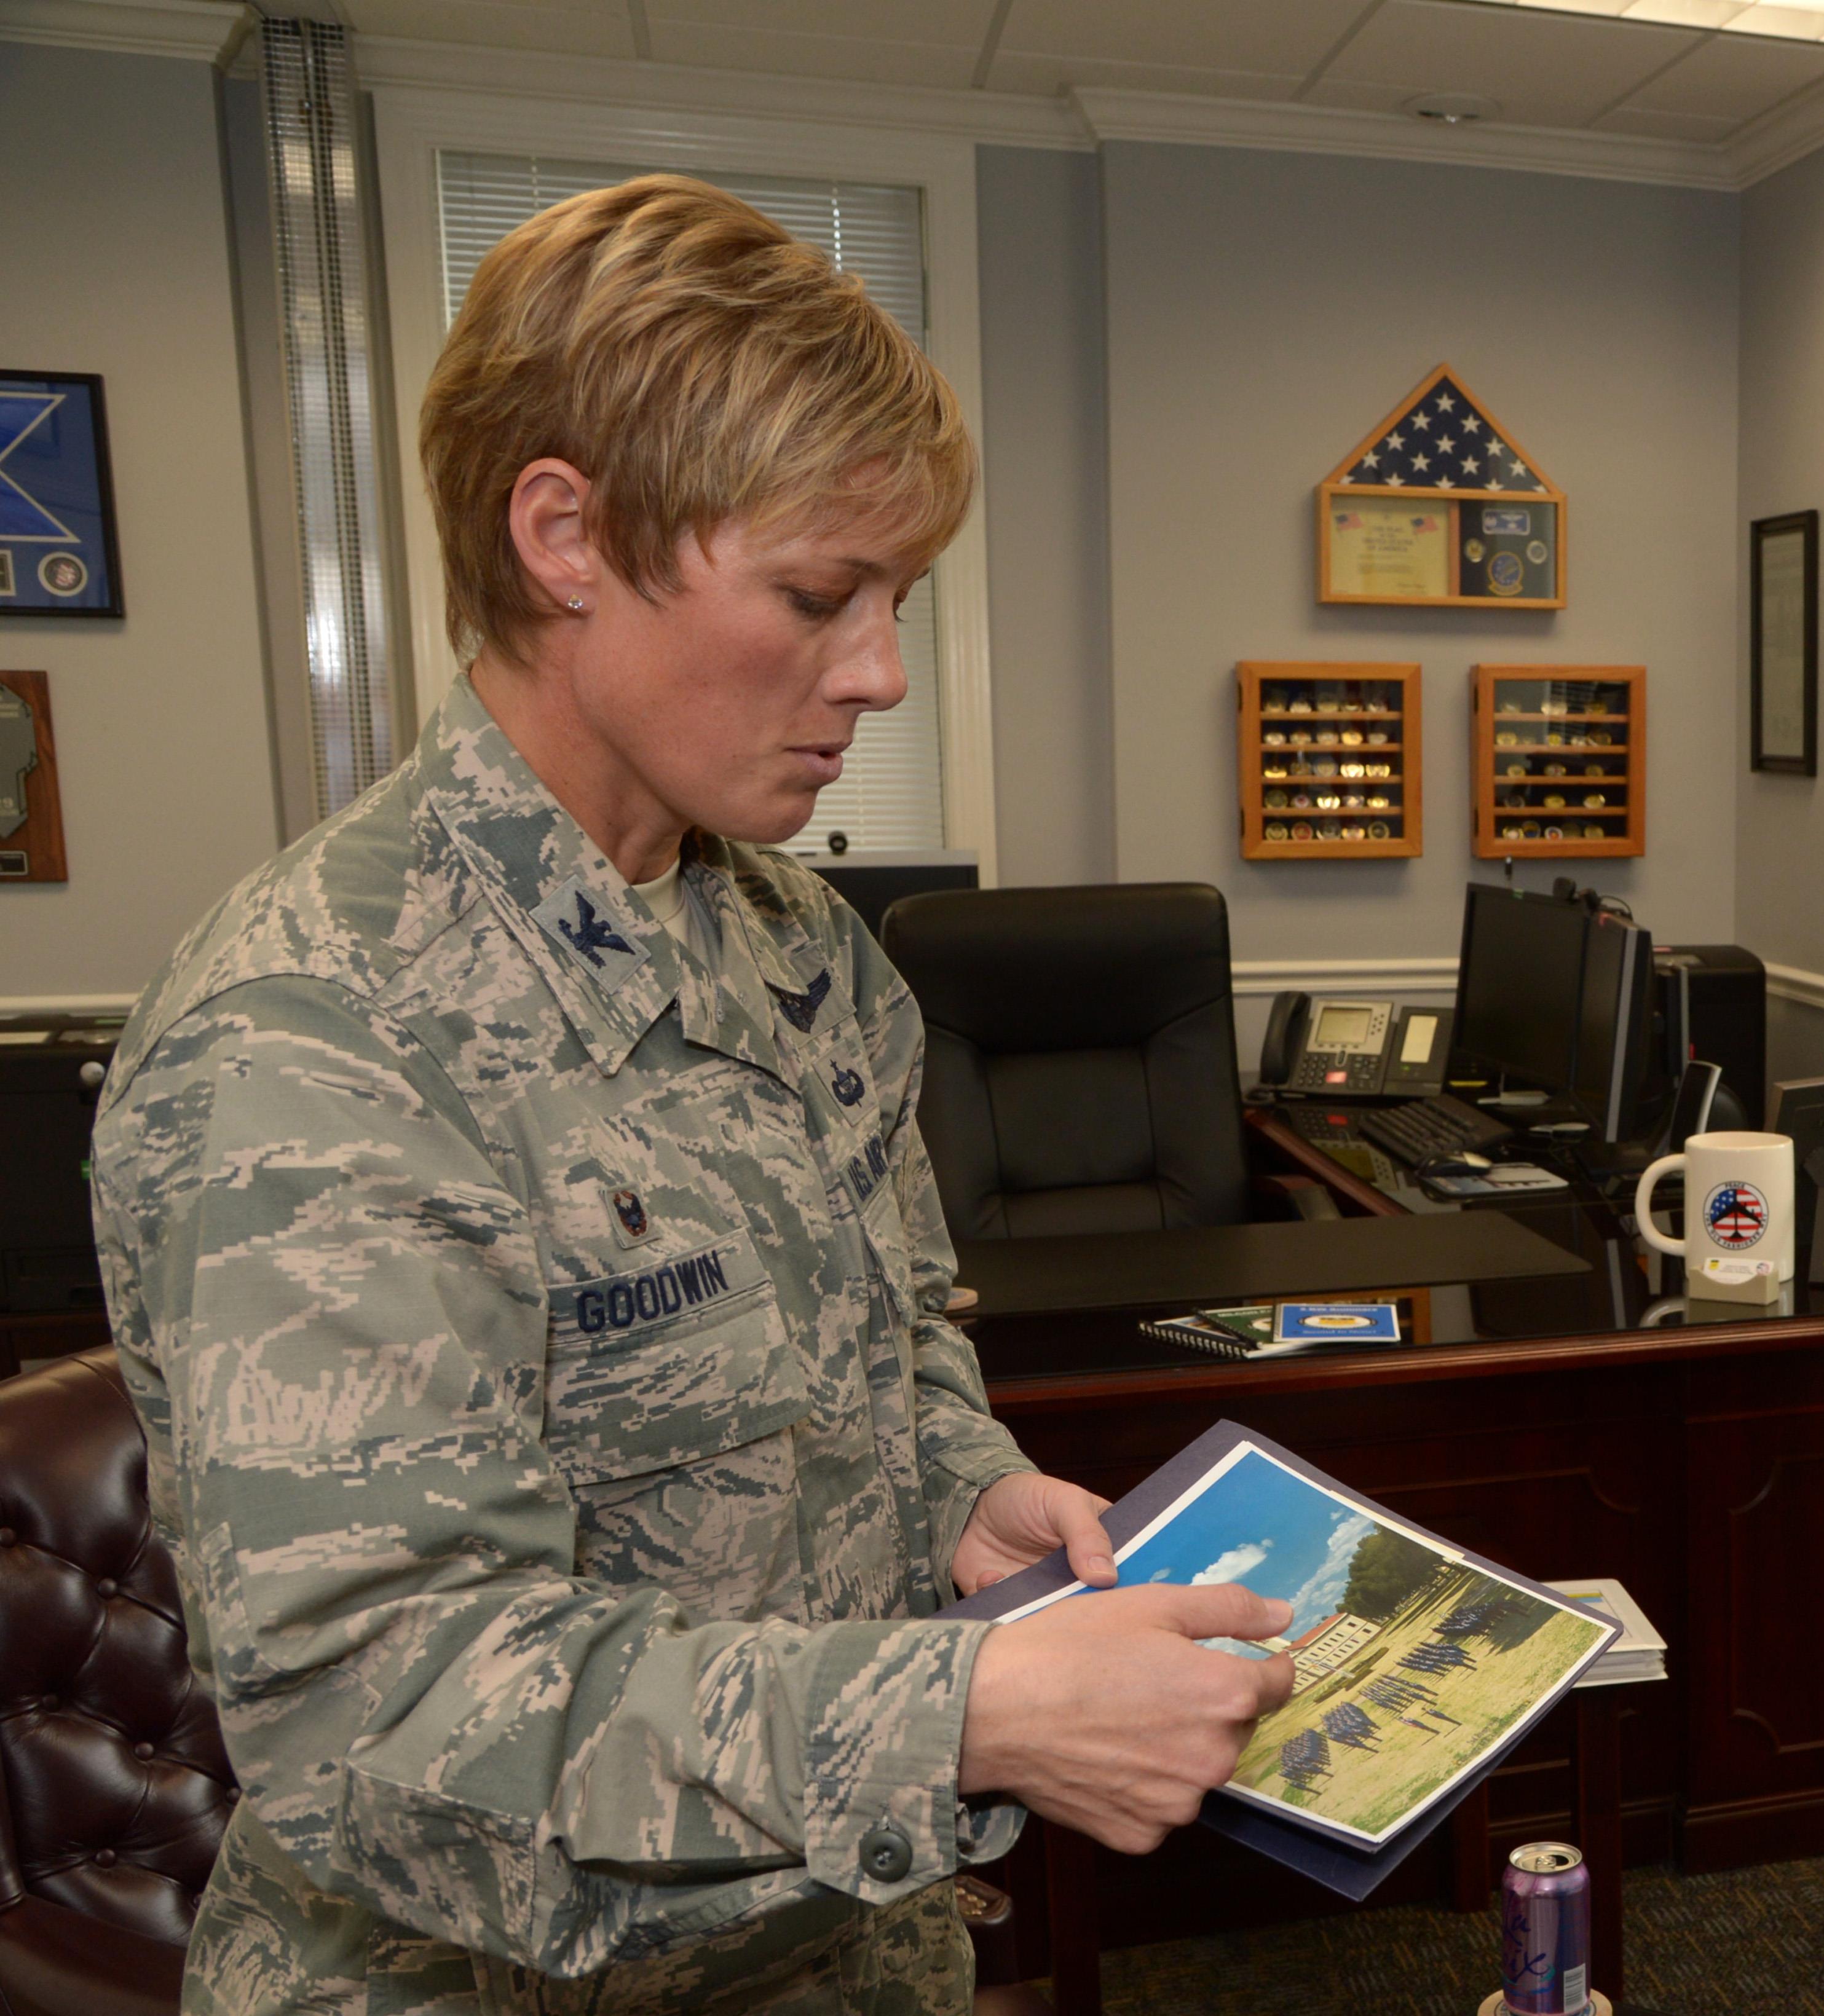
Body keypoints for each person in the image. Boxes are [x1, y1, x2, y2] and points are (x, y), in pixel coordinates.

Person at [89, 176, 1292, 2015]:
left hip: (849, 1958)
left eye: (897, 599)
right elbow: (383, 1729)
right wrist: (961, 1715)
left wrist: (960, 1493)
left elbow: (893, 1339)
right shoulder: (316, 1035)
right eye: (818, 595)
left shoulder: (808, 952)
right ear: (565, 536)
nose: (881, 674)